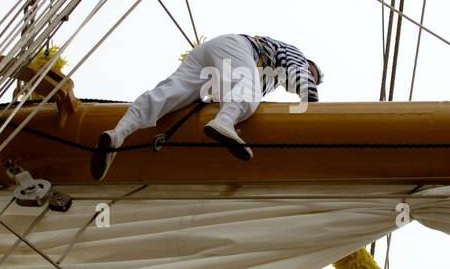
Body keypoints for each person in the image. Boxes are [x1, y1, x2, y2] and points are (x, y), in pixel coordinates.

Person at [91, 33, 322, 180]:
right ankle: (224, 122)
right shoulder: (296, 55)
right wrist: (312, 107)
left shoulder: (269, 77)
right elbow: (300, 75)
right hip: (241, 48)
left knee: (171, 93)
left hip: (212, 52)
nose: (311, 77)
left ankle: (117, 135)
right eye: (313, 74)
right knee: (248, 92)